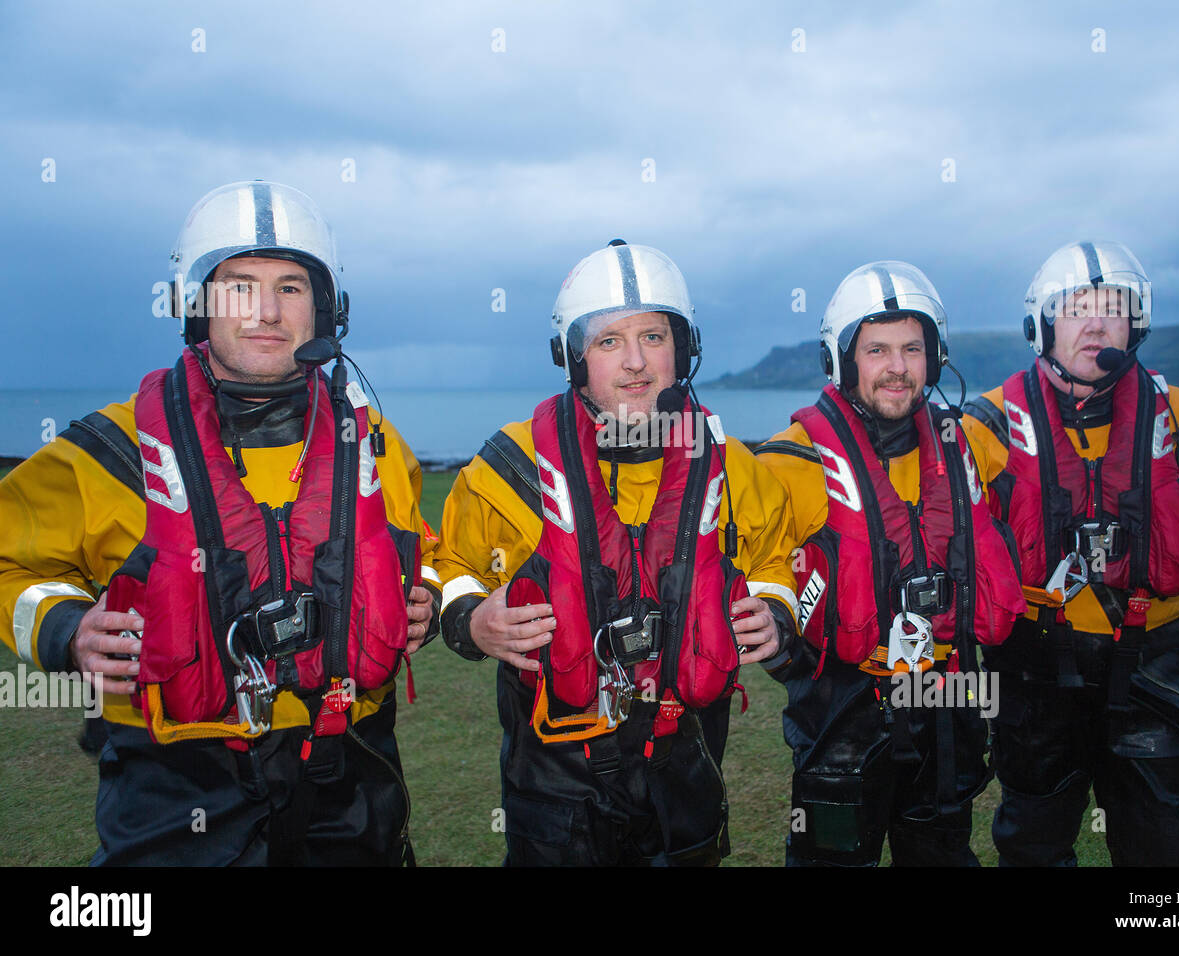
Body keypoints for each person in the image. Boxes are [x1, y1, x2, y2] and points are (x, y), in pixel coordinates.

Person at [0, 181, 438, 865]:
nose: (267, 312)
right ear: (194, 304)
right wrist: (65, 629)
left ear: (327, 310)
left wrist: (427, 599)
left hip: (352, 778)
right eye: (238, 286)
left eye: (291, 287)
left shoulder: (375, 445)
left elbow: (416, 553)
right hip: (176, 787)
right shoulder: (107, 455)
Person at [434, 240, 798, 866]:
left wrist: (776, 608)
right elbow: (449, 568)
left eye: (653, 337)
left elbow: (775, 560)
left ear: (683, 348)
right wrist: (472, 619)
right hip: (552, 778)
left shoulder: (733, 467)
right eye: (608, 342)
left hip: (688, 764)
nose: (636, 363)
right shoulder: (507, 469)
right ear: (571, 356)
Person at [960, 239, 1179, 866]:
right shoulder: (984, 428)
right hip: (1033, 678)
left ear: (1138, 324)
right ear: (1042, 325)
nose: (1097, 323)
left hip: (1154, 669)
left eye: (1114, 308)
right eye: (1077, 308)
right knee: (1032, 845)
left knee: (1171, 850)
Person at [757, 260, 1025, 866]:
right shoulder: (788, 465)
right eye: (877, 349)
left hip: (948, 701)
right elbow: (746, 574)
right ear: (842, 359)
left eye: (912, 347)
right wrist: (784, 649)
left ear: (935, 356)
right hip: (838, 710)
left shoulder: (971, 447)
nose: (898, 368)